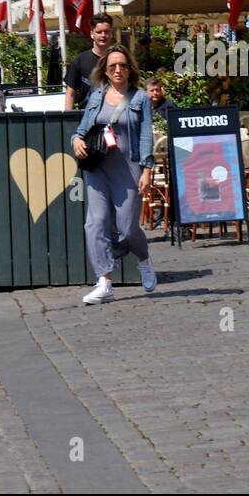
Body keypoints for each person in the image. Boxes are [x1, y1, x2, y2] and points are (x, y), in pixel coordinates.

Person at [72, 44, 156, 303]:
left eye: (122, 65)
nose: (118, 70)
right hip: (99, 169)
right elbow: (83, 127)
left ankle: (144, 259)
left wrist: (147, 169)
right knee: (95, 223)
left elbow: (145, 135)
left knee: (128, 228)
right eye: (112, 66)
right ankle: (104, 281)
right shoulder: (97, 96)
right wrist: (76, 139)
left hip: (128, 169)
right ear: (105, 71)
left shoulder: (140, 98)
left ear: (130, 69)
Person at [64, 14, 113, 110]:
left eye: (106, 32)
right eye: (99, 32)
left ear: (111, 33)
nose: (103, 35)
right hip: (86, 117)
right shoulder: (79, 61)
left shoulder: (119, 60)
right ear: (92, 34)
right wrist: (68, 120)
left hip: (114, 117)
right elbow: (70, 93)